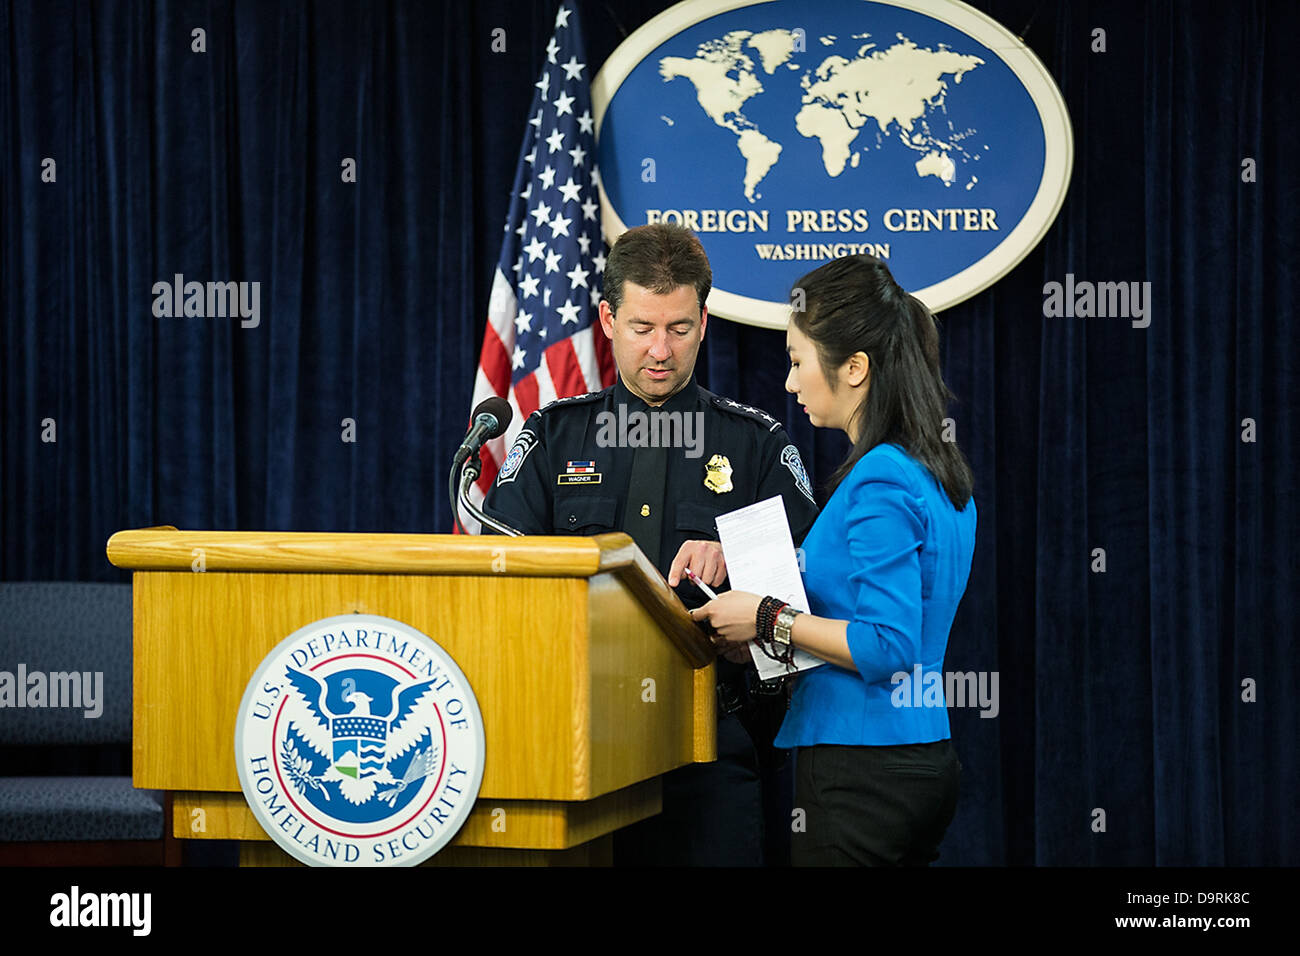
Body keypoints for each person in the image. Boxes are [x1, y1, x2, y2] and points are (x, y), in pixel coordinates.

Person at [481, 223, 820, 866]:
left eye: (679, 328)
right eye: (642, 328)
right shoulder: (553, 436)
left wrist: (740, 559)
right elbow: (503, 576)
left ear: (704, 320)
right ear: (607, 319)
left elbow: (813, 596)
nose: (660, 349)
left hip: (708, 745)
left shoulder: (757, 445)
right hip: (571, 739)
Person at [691, 253, 977, 866]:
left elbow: (886, 644)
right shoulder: (935, 473)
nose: (790, 382)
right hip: (916, 757)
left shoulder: (879, 478)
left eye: (797, 362)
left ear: (854, 367)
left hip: (860, 772)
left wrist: (764, 618)